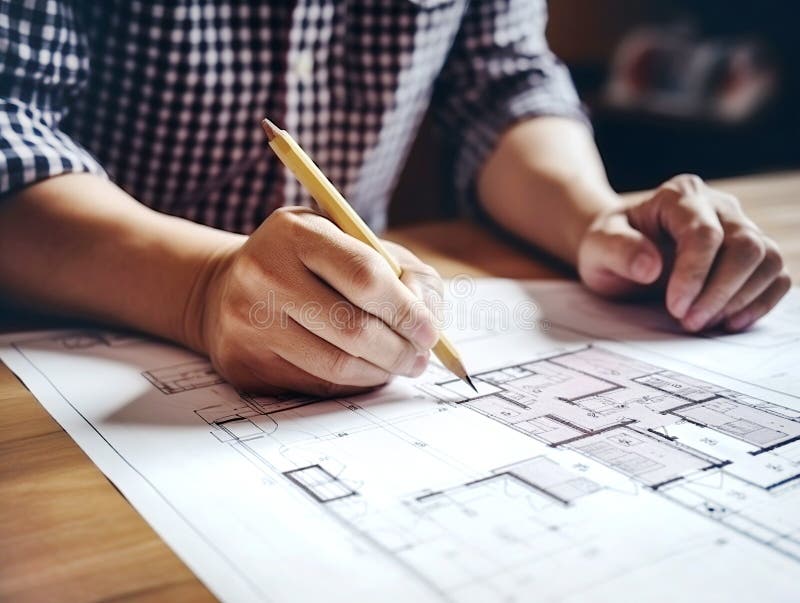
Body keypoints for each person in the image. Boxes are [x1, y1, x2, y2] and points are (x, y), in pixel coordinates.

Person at [0, 1, 790, 396]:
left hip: (361, 307)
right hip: (64, 337)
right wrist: (202, 288)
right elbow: (11, 120)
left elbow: (502, 82)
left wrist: (593, 213)